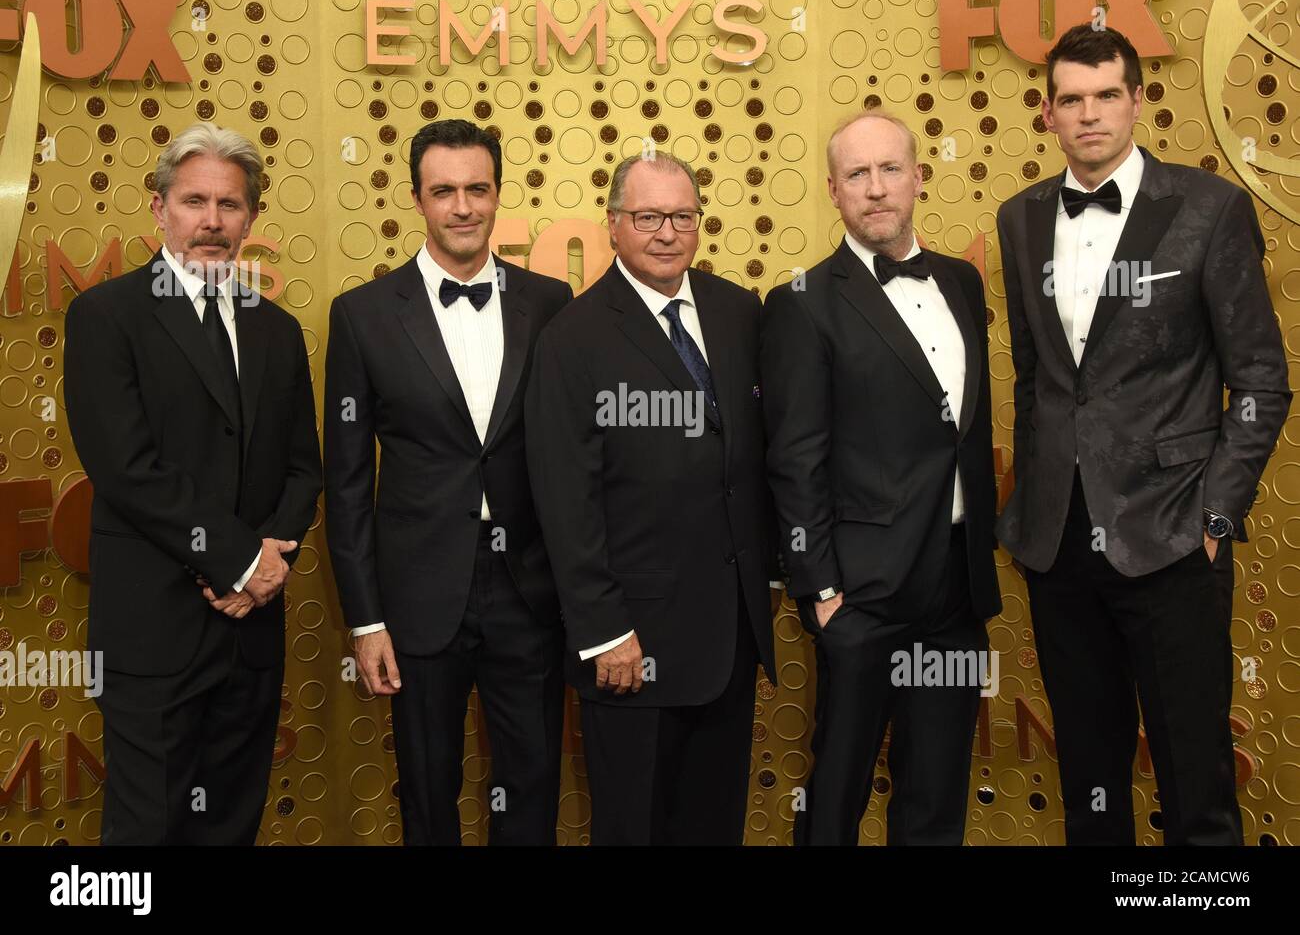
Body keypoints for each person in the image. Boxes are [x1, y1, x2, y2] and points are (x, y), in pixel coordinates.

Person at [996, 23, 1291, 844]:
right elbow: (1035, 378)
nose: (1089, 115)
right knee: (1090, 784)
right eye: (1071, 100)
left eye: (1105, 97)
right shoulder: (1018, 220)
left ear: (1136, 100)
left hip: (1172, 537)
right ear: (1048, 112)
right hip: (1057, 545)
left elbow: (1262, 380)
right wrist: (1034, 506)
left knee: (1195, 784)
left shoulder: (1209, 209)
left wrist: (1218, 515)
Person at [64, 122, 322, 844]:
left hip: (252, 635)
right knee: (148, 833)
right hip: (155, 636)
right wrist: (240, 562)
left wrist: (269, 565)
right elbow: (126, 469)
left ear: (251, 218)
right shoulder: (105, 317)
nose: (211, 221)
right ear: (159, 208)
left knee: (231, 826)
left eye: (229, 205)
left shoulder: (276, 329)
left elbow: (304, 468)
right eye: (194, 201)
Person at [324, 120, 572, 845]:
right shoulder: (363, 316)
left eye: (477, 189)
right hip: (417, 596)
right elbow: (344, 483)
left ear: (498, 194)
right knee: (428, 793)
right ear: (416, 200)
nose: (462, 207)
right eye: (444, 192)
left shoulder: (551, 302)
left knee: (532, 788)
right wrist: (365, 620)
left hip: (530, 589)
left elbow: (573, 457)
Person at [525, 151, 782, 845]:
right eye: (647, 217)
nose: (666, 232)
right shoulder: (570, 339)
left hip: (730, 637)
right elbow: (564, 501)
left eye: (682, 217)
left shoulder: (737, 312)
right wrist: (605, 631)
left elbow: (755, 461)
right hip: (632, 647)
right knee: (634, 828)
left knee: (714, 825)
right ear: (613, 225)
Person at [761, 111, 1000, 845]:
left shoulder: (960, 282)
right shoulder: (801, 302)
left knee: (936, 794)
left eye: (890, 169)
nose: (875, 189)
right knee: (836, 796)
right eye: (856, 175)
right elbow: (793, 457)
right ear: (833, 191)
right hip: (862, 595)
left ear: (918, 177)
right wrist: (823, 592)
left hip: (955, 589)